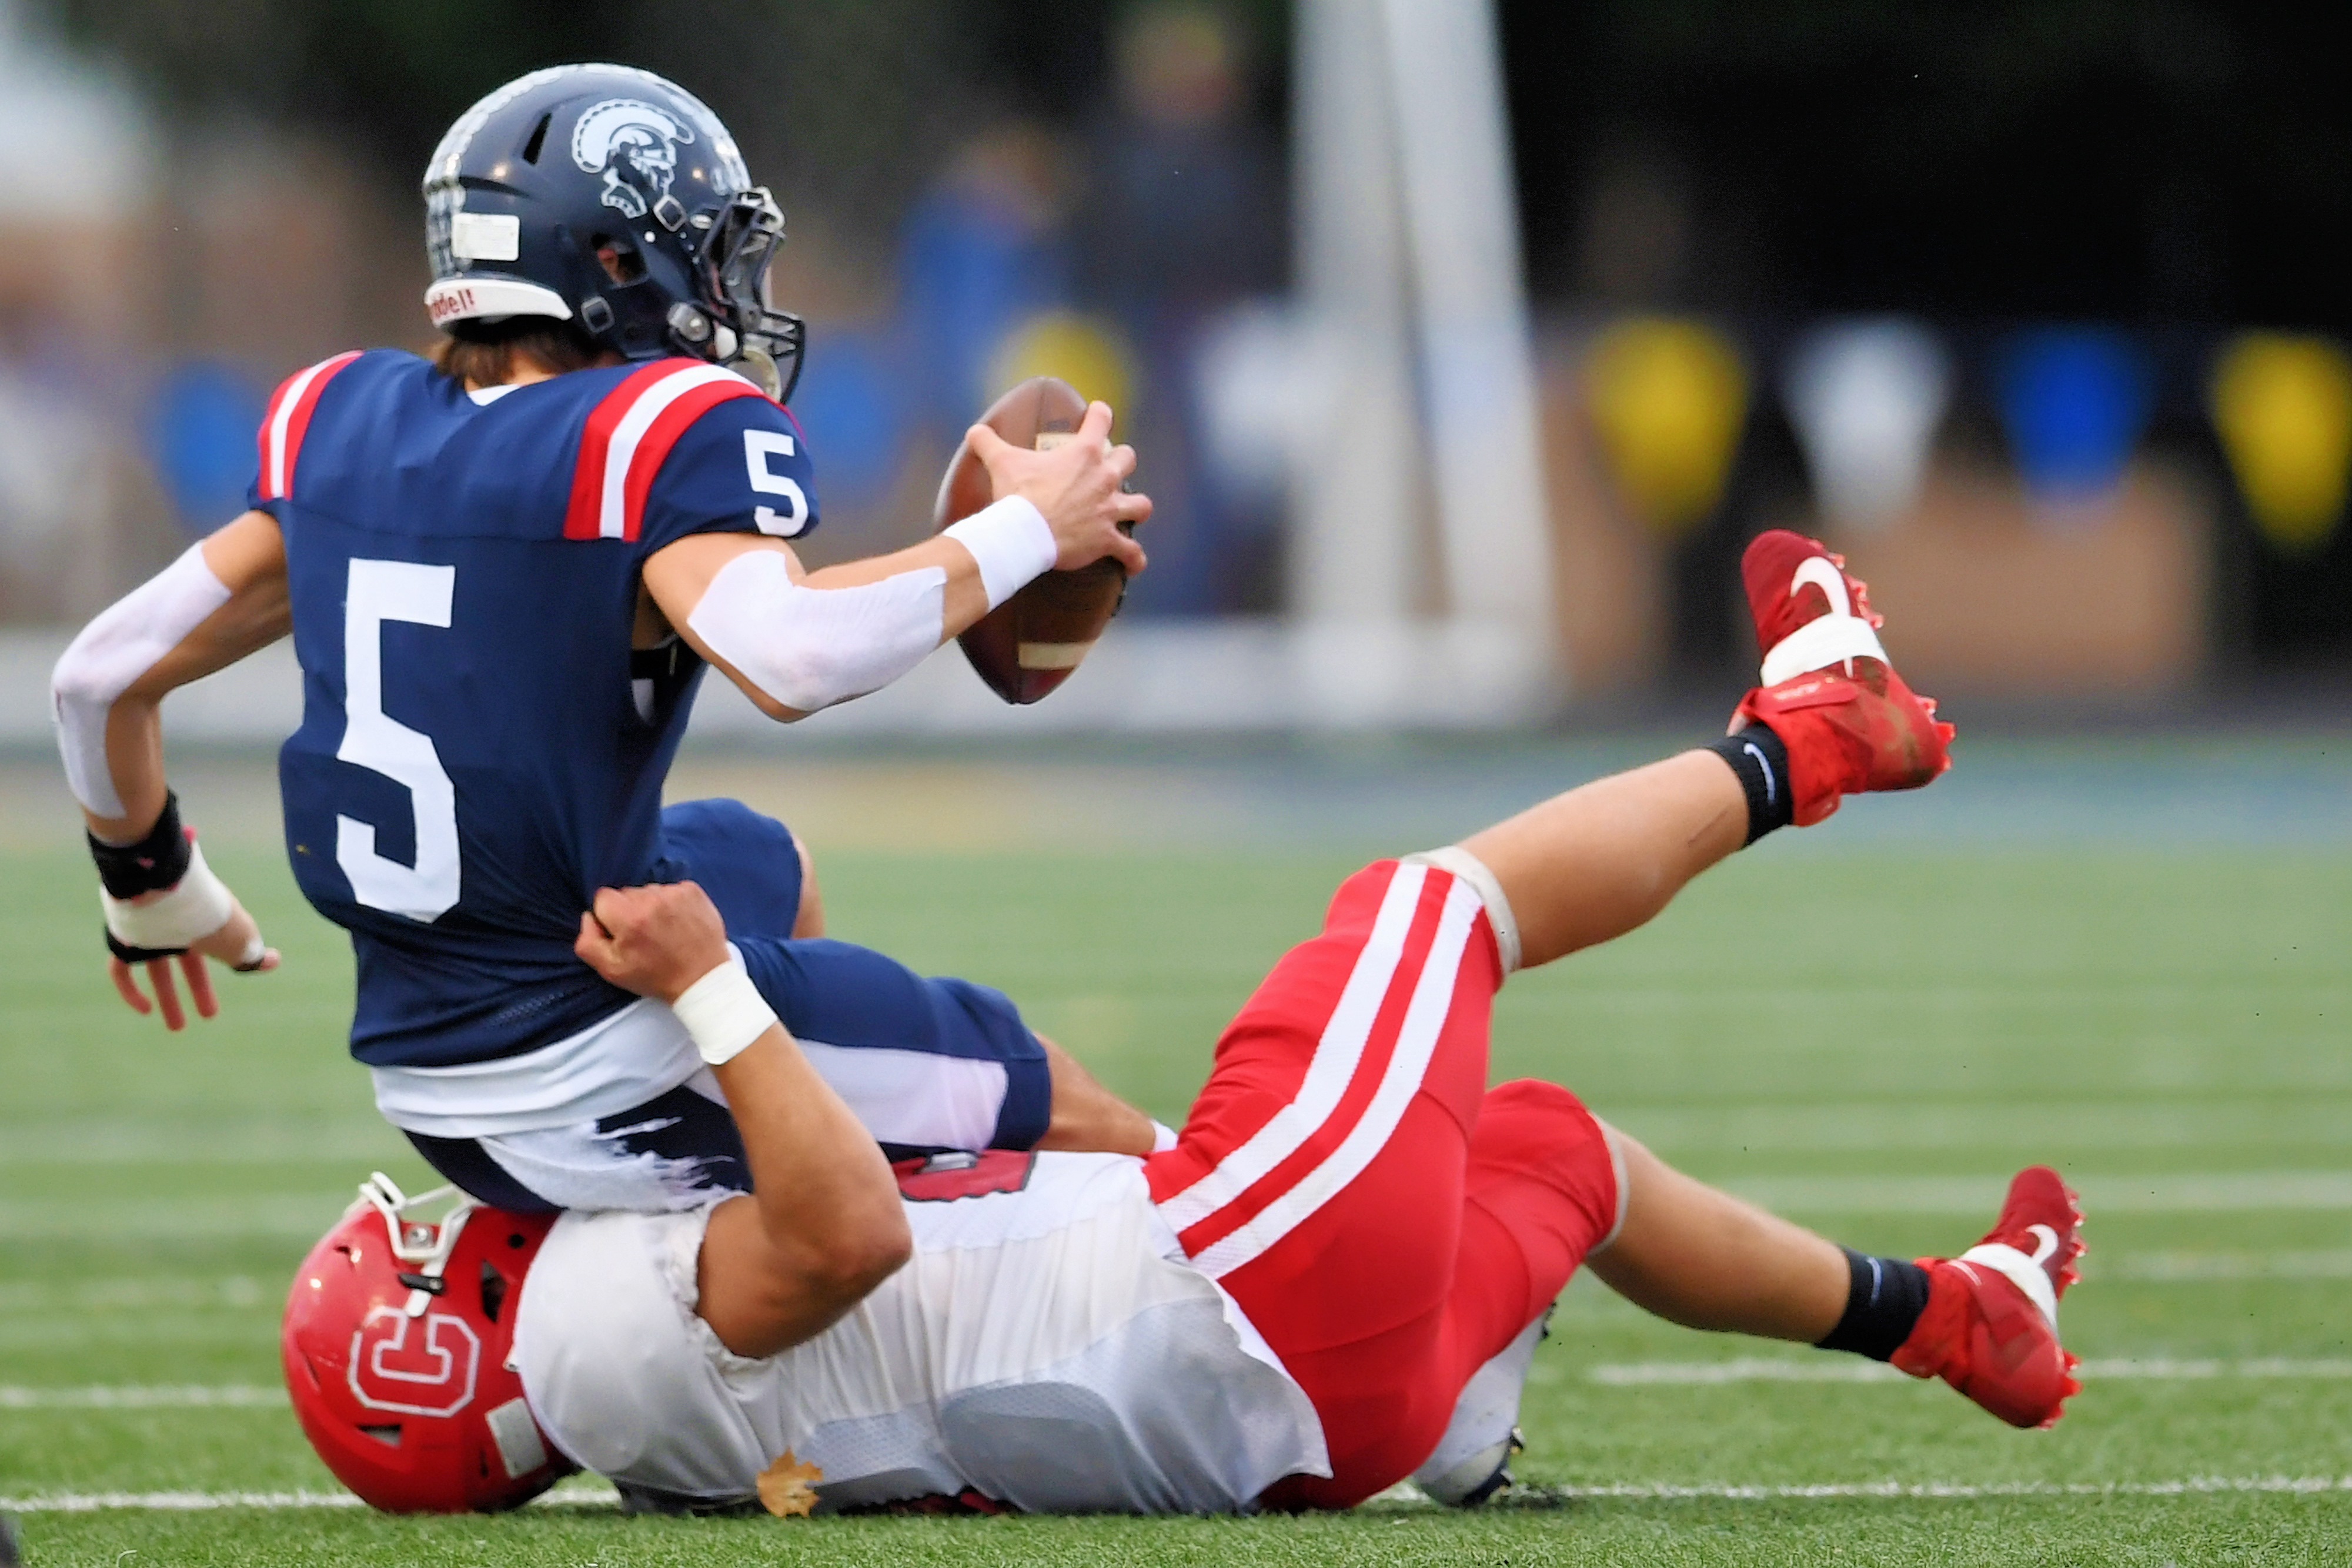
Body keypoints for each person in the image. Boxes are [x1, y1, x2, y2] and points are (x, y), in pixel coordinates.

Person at [282, 533, 2084, 1515]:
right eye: (416, 1255)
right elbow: (843, 1230)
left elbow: (829, 1105)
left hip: (1300, 1425)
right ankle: (1813, 734)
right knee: (1432, 908)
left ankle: (1952, 1318)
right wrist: (708, 985)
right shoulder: (593, 1335)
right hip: (1234, 1277)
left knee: (1552, 1149)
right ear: (447, 1337)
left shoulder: (646, 1432)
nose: (442, 1224)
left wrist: (728, 945)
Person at [46, 65, 1156, 1216]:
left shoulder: (346, 422)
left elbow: (96, 678)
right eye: (714, 254)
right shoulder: (649, 431)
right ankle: (856, 1220)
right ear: (617, 263)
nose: (732, 289)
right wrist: (1030, 529)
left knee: (761, 860)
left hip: (424, 1067)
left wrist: (150, 884)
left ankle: (796, 1178)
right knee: (1075, 1109)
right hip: (588, 1063)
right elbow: (796, 657)